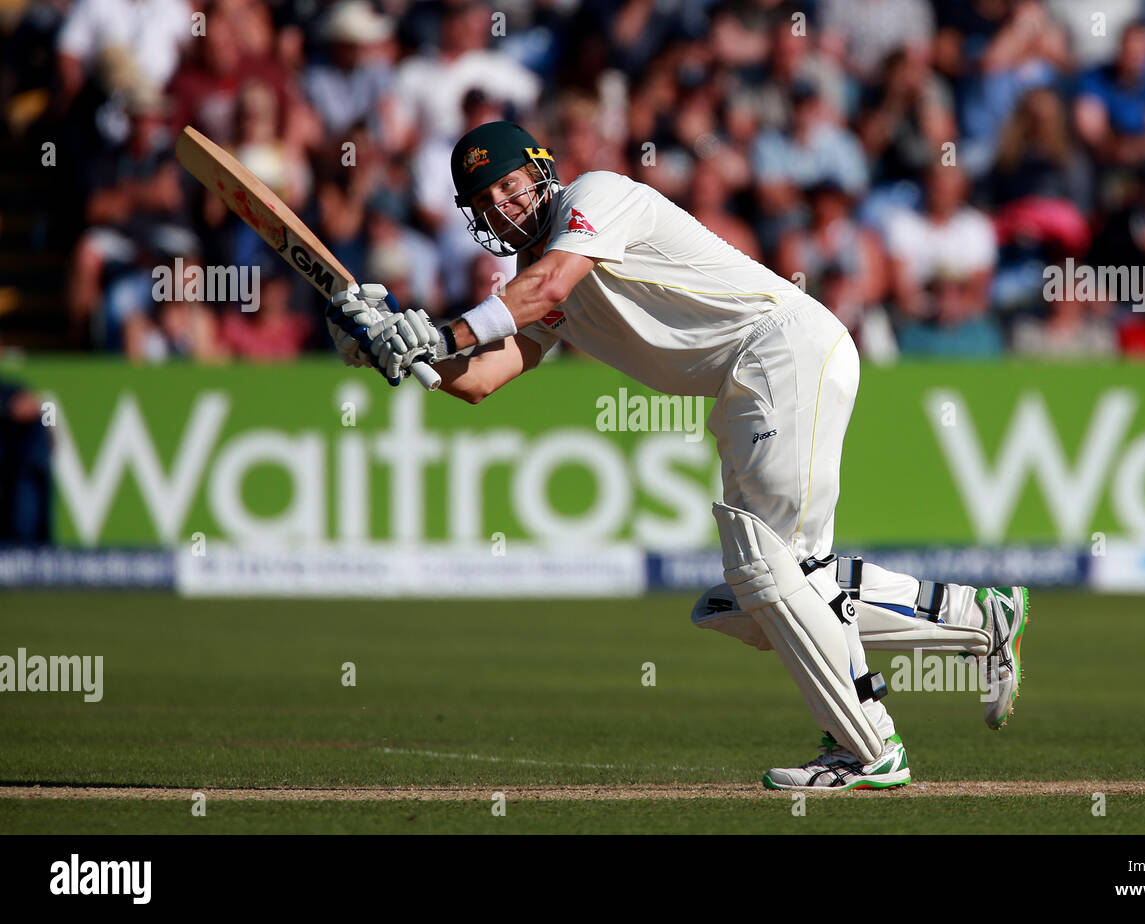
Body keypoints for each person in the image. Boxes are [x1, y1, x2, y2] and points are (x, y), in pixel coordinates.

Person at [324, 121, 1029, 790]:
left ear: (541, 171)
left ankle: (866, 746)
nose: (502, 208)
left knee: (768, 568)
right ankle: (979, 620)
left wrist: (435, 335)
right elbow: (485, 377)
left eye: (508, 187)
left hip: (782, 348)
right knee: (752, 604)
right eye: (484, 203)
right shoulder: (535, 275)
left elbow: (542, 291)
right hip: (745, 384)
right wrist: (401, 357)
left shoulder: (595, 198)